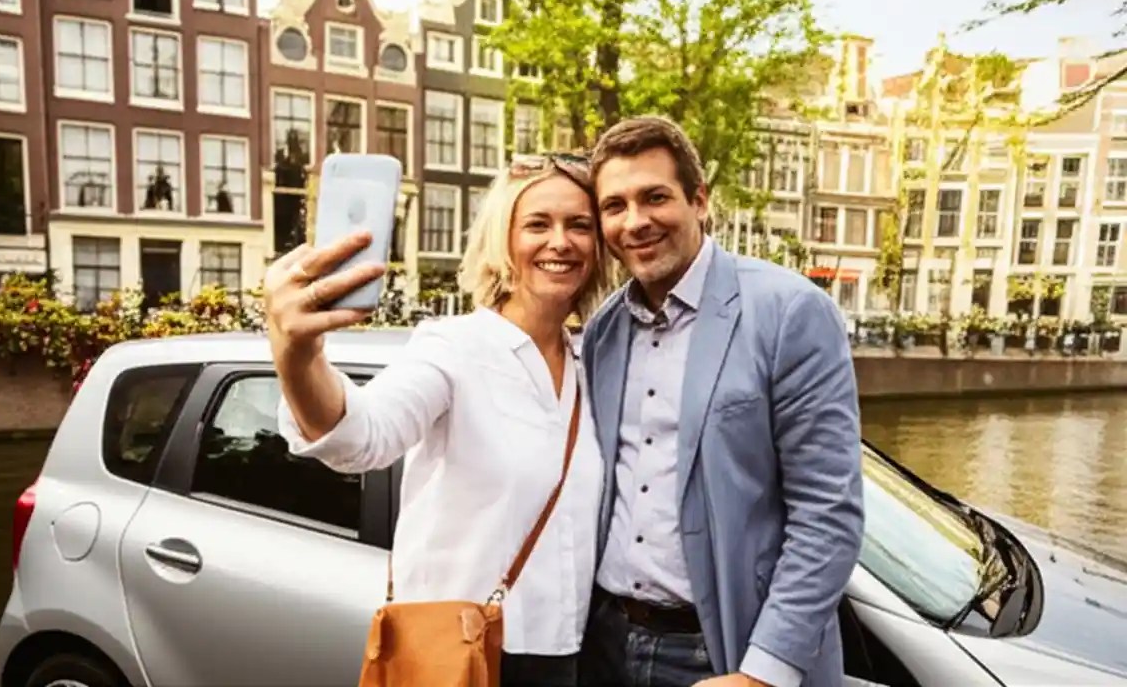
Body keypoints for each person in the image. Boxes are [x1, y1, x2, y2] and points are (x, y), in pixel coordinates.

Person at [263, 155, 615, 686]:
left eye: (579, 225)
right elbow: (361, 438)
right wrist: (296, 352)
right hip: (460, 656)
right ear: (503, 239)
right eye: (538, 224)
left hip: (568, 659)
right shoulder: (454, 347)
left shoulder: (594, 362)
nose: (560, 241)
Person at [576, 116, 865, 687]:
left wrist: (763, 673)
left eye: (655, 197)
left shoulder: (789, 313)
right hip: (605, 644)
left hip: (721, 654)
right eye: (615, 206)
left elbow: (828, 513)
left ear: (700, 200)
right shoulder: (603, 331)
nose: (635, 222)